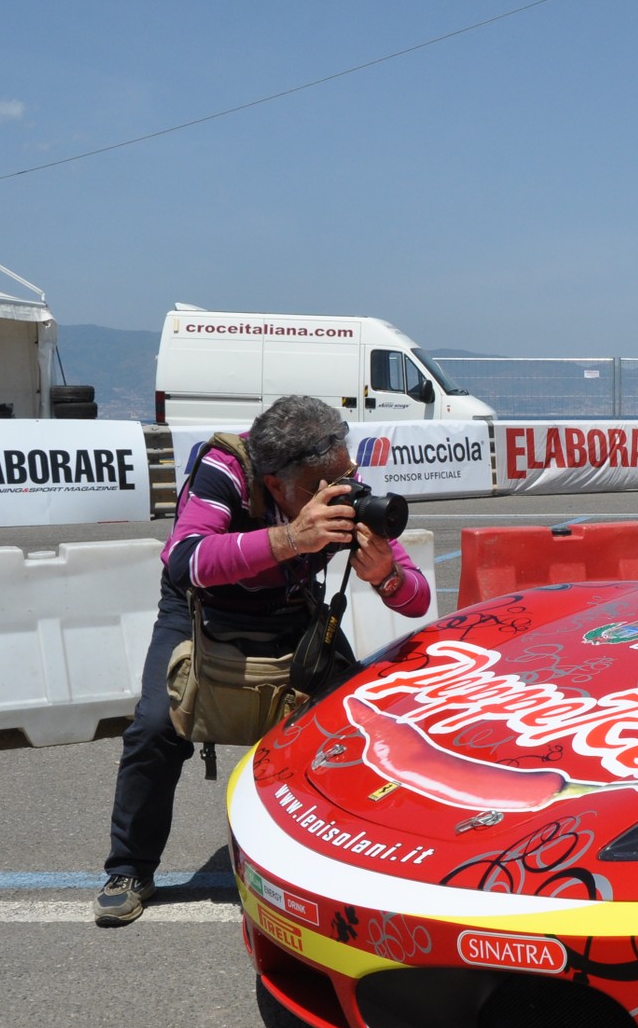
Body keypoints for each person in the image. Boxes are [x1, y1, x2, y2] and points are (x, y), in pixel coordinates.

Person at [95, 395, 430, 924]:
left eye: (345, 475)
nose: (339, 492)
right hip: (204, 611)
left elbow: (416, 599)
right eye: (321, 486)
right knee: (156, 727)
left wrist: (385, 574)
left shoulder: (343, 489)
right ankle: (130, 868)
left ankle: (355, 862)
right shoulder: (225, 468)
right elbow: (184, 562)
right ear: (274, 483)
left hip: (291, 609)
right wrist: (291, 539)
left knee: (359, 721)